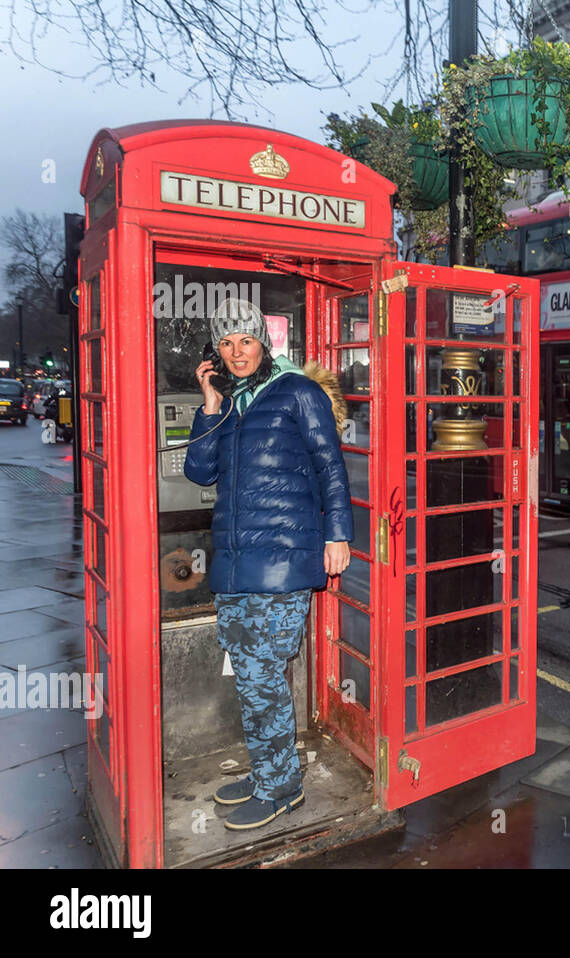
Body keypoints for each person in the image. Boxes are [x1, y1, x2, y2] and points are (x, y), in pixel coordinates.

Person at [185, 298, 353, 831]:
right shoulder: (230, 403)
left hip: (283, 557)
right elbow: (198, 472)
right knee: (252, 677)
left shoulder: (297, 392)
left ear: (264, 341)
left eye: (246, 341)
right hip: (235, 561)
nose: (237, 353)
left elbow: (330, 464)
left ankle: (282, 788)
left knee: (261, 677)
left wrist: (338, 535)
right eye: (227, 344)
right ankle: (266, 773)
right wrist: (209, 404)